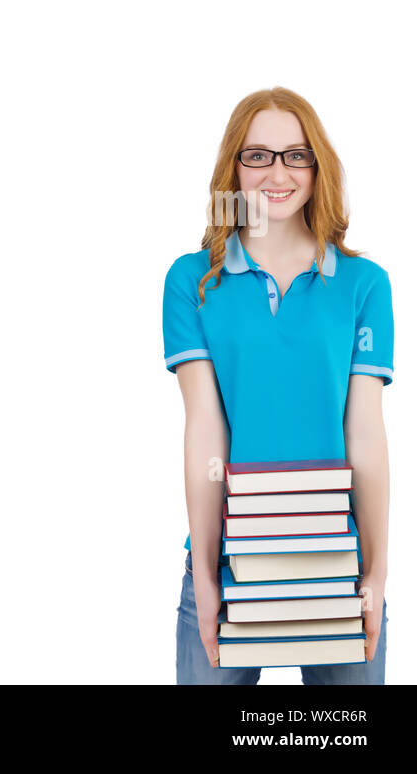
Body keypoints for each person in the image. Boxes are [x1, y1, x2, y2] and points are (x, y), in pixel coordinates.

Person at [162, 86, 391, 684]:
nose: (277, 173)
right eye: (258, 155)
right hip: (230, 555)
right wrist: (208, 575)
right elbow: (205, 432)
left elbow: (364, 434)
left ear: (318, 168)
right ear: (233, 169)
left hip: (337, 557)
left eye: (296, 155)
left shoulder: (365, 285)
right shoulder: (193, 281)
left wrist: (377, 571)